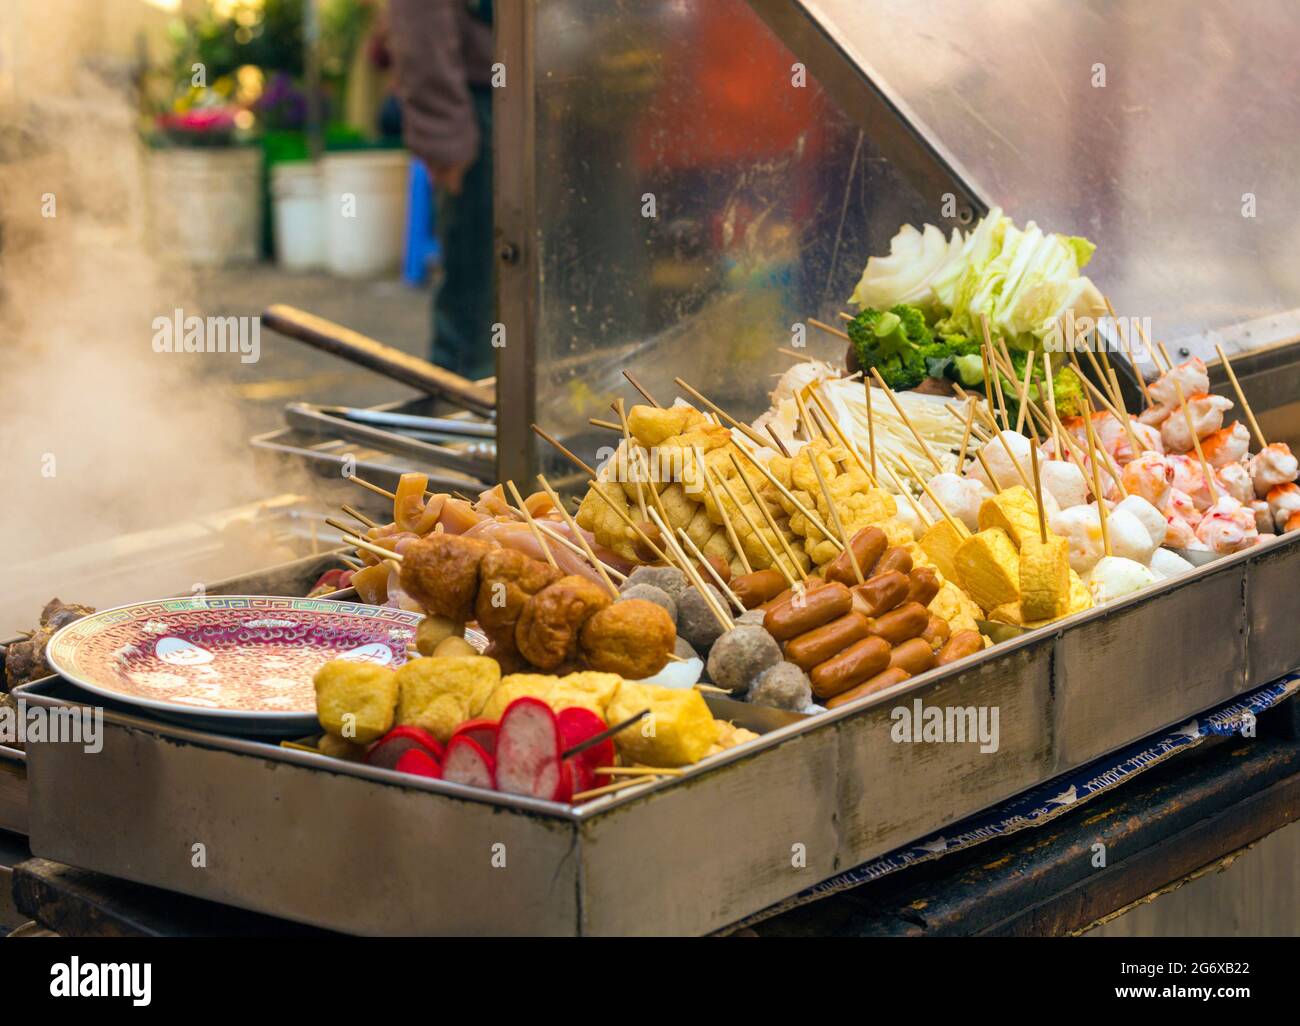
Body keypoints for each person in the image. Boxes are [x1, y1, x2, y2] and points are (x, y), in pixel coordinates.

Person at [388, 0, 495, 382]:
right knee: (480, 300)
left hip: (566, 98)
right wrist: (443, 131)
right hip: (480, 105)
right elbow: (418, 18)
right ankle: (463, 414)